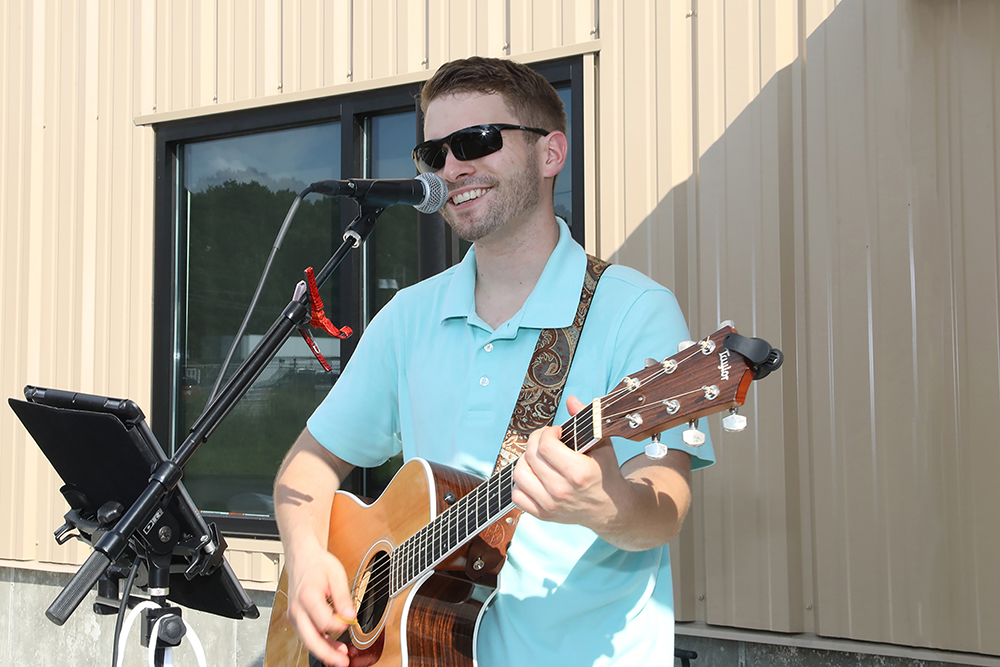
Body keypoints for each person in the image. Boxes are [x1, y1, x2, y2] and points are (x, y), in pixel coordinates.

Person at [274, 56, 714, 667]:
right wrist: (304, 561)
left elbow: (664, 508)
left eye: (476, 141)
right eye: (433, 154)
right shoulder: (408, 316)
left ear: (550, 153)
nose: (452, 168)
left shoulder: (636, 310)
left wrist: (606, 503)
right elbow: (307, 467)